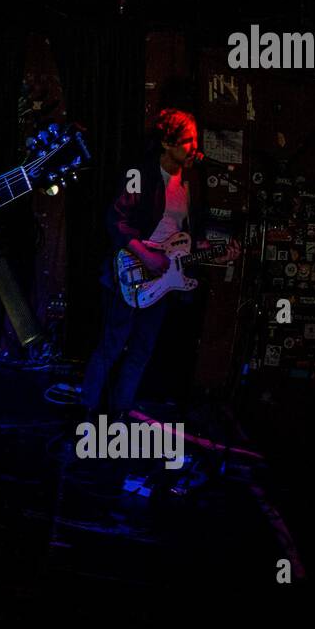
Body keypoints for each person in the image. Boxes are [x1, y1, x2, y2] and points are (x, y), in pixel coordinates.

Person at [79, 108, 239, 419]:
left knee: (142, 350)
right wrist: (147, 255)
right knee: (112, 344)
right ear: (167, 142)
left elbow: (186, 239)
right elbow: (116, 221)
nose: (195, 147)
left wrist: (215, 254)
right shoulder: (142, 174)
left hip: (165, 278)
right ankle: (86, 411)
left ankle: (120, 412)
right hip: (131, 268)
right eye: (188, 140)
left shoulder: (189, 183)